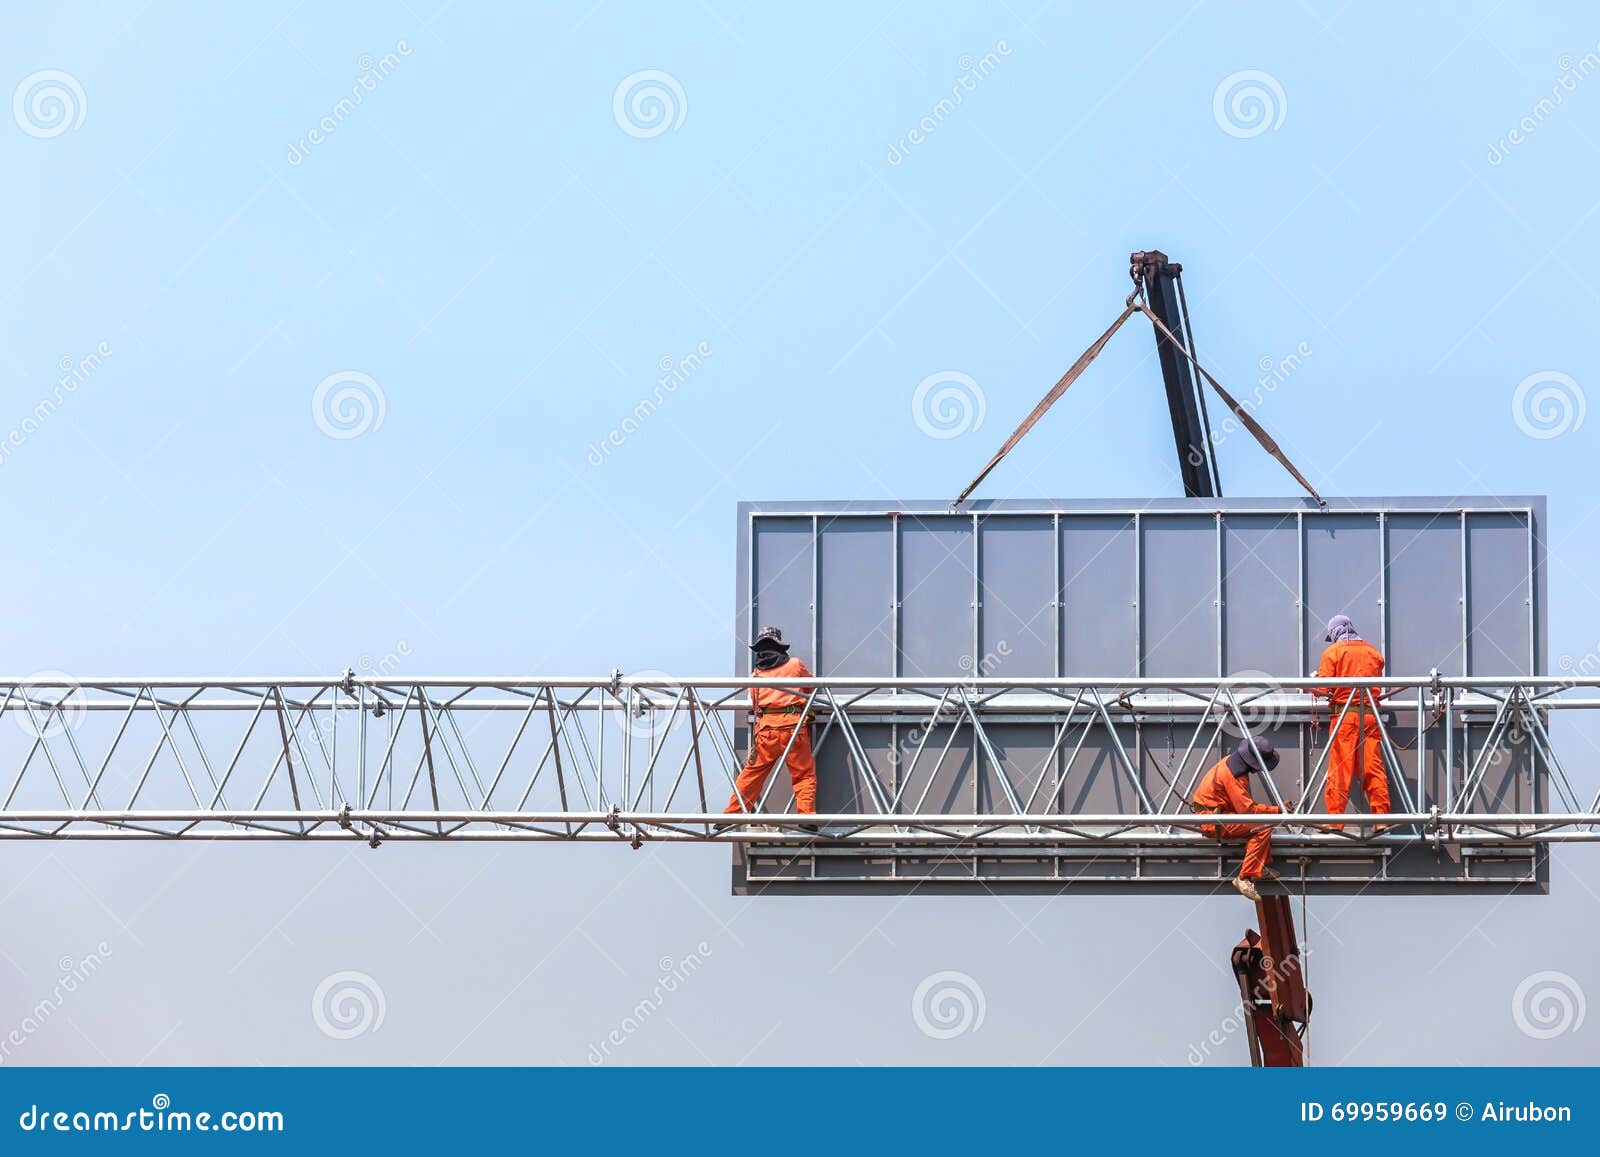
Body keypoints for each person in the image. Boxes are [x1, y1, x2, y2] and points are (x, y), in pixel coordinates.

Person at [723, 626, 817, 822]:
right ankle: (807, 817)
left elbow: (755, 705)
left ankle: (731, 816)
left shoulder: (756, 676)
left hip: (765, 733)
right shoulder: (795, 665)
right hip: (793, 729)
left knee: (751, 775)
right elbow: (812, 687)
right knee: (803, 775)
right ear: (780, 646)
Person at [1315, 614, 1390, 829]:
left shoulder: (1333, 652)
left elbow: (1322, 689)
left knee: (1340, 769)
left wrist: (1313, 682)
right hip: (1370, 717)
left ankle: (1336, 821)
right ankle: (1380, 819)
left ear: (1335, 633)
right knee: (1372, 768)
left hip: (1345, 718)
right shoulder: (1373, 652)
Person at [1193, 738, 1288, 902]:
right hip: (1213, 821)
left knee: (1261, 824)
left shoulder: (1231, 762)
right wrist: (1277, 810)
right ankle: (1245, 877)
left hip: (1218, 815)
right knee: (1263, 827)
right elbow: (1248, 810)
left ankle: (1259, 867)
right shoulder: (1234, 776)